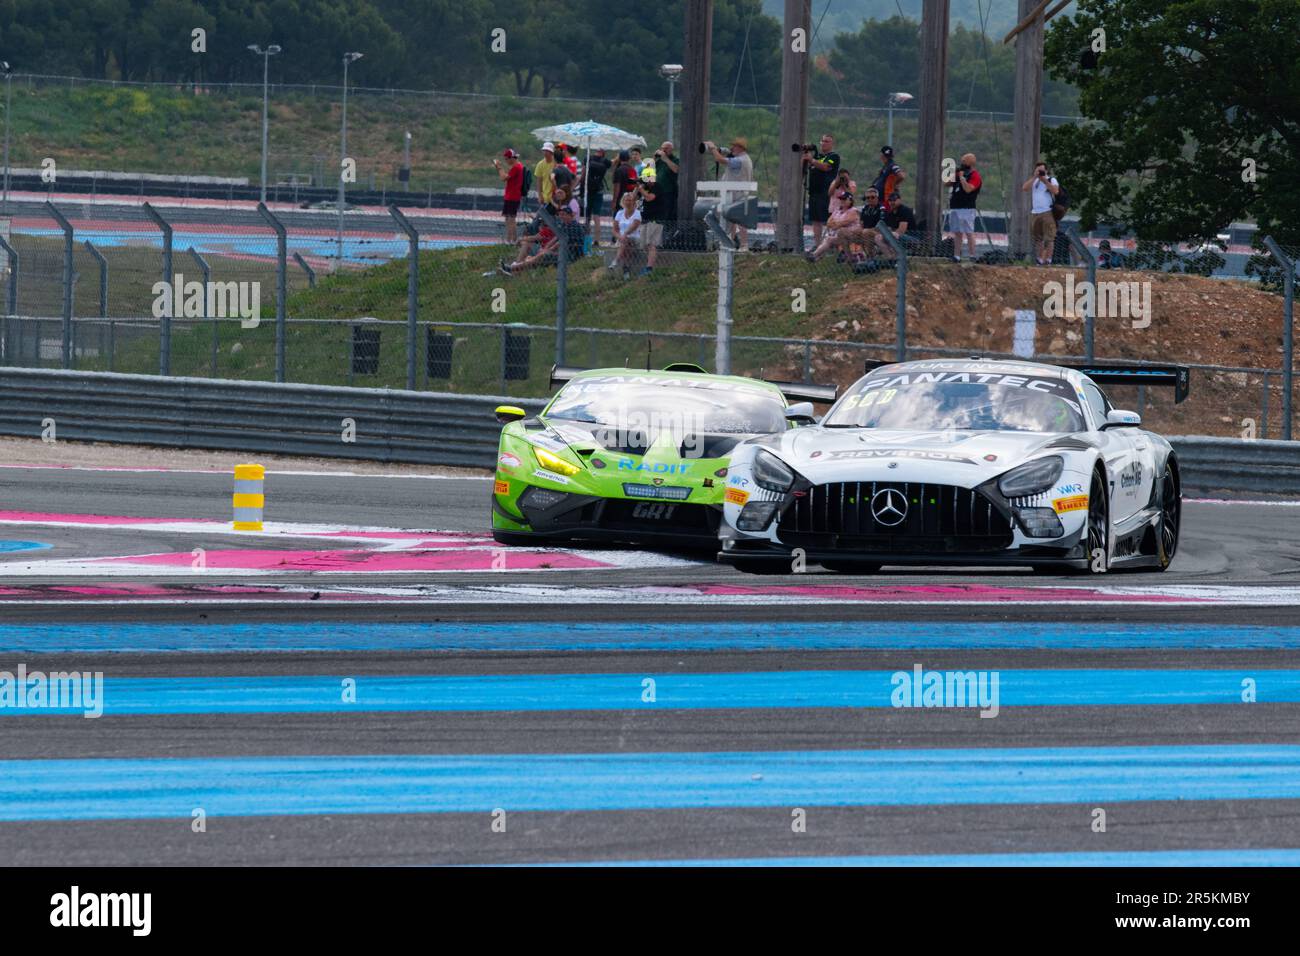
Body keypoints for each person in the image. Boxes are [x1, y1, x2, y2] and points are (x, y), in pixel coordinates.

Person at [501, 205, 584, 275]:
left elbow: (559, 243)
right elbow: (555, 239)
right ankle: (516, 268)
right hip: (559, 251)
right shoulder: (563, 225)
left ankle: (513, 268)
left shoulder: (573, 226)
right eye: (560, 214)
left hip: (570, 256)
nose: (561, 217)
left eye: (564, 214)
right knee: (532, 251)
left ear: (570, 215)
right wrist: (546, 248)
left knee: (540, 256)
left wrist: (547, 250)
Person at [705, 136, 755, 249]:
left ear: (740, 148)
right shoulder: (746, 159)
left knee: (736, 219)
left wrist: (712, 148)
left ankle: (740, 244)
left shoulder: (739, 160)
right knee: (733, 219)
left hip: (735, 193)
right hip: (739, 193)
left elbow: (720, 160)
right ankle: (732, 242)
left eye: (734, 146)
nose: (732, 148)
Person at [803, 134, 840, 248]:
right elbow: (804, 169)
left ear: (832, 144)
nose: (824, 143)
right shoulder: (817, 156)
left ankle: (831, 244)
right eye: (822, 141)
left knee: (828, 220)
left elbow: (826, 167)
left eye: (827, 141)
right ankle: (818, 244)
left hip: (826, 192)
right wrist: (805, 157)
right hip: (814, 191)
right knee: (816, 220)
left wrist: (812, 160)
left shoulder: (834, 156)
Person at [1021, 160, 1060, 265]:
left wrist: (1044, 180)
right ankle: (1040, 259)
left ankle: (1048, 259)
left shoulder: (1052, 180)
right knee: (1038, 238)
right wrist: (1035, 177)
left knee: (1049, 238)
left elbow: (1056, 191)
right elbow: (1024, 188)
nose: (1040, 172)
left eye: (1042, 170)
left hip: (1047, 211)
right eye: (1038, 170)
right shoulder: (1034, 181)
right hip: (1035, 212)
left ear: (1046, 170)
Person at [948, 152, 982, 263]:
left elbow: (968, 189)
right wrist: (953, 174)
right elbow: (946, 183)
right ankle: (957, 255)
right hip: (955, 207)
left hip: (967, 208)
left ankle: (972, 255)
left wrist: (962, 178)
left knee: (969, 231)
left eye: (964, 161)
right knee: (957, 232)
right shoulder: (958, 173)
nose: (962, 163)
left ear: (970, 162)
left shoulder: (974, 175)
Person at [805, 192, 860, 262]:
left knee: (841, 231)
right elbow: (828, 223)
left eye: (844, 199)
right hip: (839, 236)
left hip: (852, 235)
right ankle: (814, 255)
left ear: (850, 200)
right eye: (841, 199)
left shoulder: (853, 211)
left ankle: (850, 257)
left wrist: (836, 223)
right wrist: (836, 224)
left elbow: (843, 223)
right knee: (829, 239)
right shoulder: (837, 210)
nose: (842, 201)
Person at [494, 148, 525, 244]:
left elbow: (503, 178)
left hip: (512, 196)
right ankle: (512, 239)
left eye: (507, 159)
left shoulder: (516, 167)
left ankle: (511, 239)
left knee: (510, 218)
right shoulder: (518, 166)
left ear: (511, 158)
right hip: (512, 195)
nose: (506, 161)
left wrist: (499, 167)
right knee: (509, 218)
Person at [611, 189, 643, 279]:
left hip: (635, 238)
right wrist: (620, 237)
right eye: (626, 200)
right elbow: (614, 230)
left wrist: (624, 235)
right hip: (622, 239)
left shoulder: (637, 213)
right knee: (626, 244)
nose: (628, 202)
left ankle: (616, 260)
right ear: (623, 201)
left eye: (630, 200)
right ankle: (626, 269)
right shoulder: (619, 213)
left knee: (627, 241)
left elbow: (633, 227)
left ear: (633, 202)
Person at [584, 148, 612, 244]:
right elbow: (613, 163)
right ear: (604, 152)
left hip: (588, 190)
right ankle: (597, 240)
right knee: (597, 216)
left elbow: (584, 173)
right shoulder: (606, 161)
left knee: (587, 216)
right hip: (599, 190)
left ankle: (586, 238)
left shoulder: (588, 158)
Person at [878, 189, 915, 259]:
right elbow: (888, 228)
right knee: (878, 237)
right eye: (890, 200)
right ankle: (891, 258)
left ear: (899, 200)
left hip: (911, 238)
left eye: (894, 200)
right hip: (896, 236)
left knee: (892, 235)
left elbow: (901, 231)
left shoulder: (904, 210)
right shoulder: (890, 213)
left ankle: (897, 258)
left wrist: (888, 236)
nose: (892, 202)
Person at [872, 146, 905, 211]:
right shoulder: (886, 166)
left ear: (882, 155)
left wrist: (894, 184)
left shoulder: (892, 165)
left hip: (886, 197)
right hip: (881, 198)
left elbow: (901, 176)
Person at [534, 142, 557, 207]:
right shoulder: (540, 164)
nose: (546, 153)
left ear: (552, 152)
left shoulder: (556, 163)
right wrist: (539, 195)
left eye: (548, 151)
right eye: (545, 151)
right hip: (545, 196)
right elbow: (539, 181)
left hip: (555, 196)